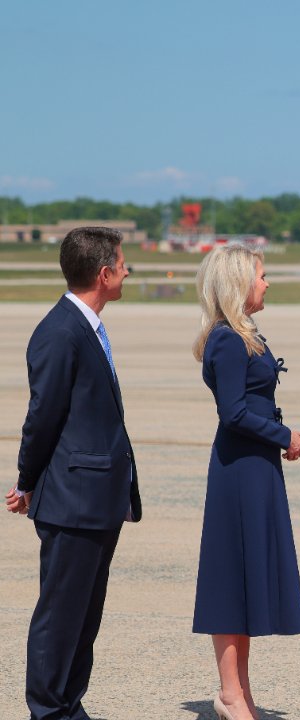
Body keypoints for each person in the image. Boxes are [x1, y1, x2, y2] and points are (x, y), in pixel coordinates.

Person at [6, 226, 142, 720]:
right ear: (103, 274)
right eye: (123, 263)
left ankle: (68, 703)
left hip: (97, 497)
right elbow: (42, 416)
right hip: (72, 497)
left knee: (84, 616)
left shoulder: (86, 327)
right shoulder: (60, 331)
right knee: (60, 614)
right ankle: (48, 709)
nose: (128, 270)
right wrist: (27, 480)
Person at [191, 245, 300, 720]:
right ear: (239, 282)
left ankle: (241, 690)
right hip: (239, 469)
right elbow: (233, 412)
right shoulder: (226, 340)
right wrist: (285, 434)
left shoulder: (245, 334)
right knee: (230, 580)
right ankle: (229, 693)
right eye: (261, 276)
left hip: (256, 466)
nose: (267, 283)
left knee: (245, 578)